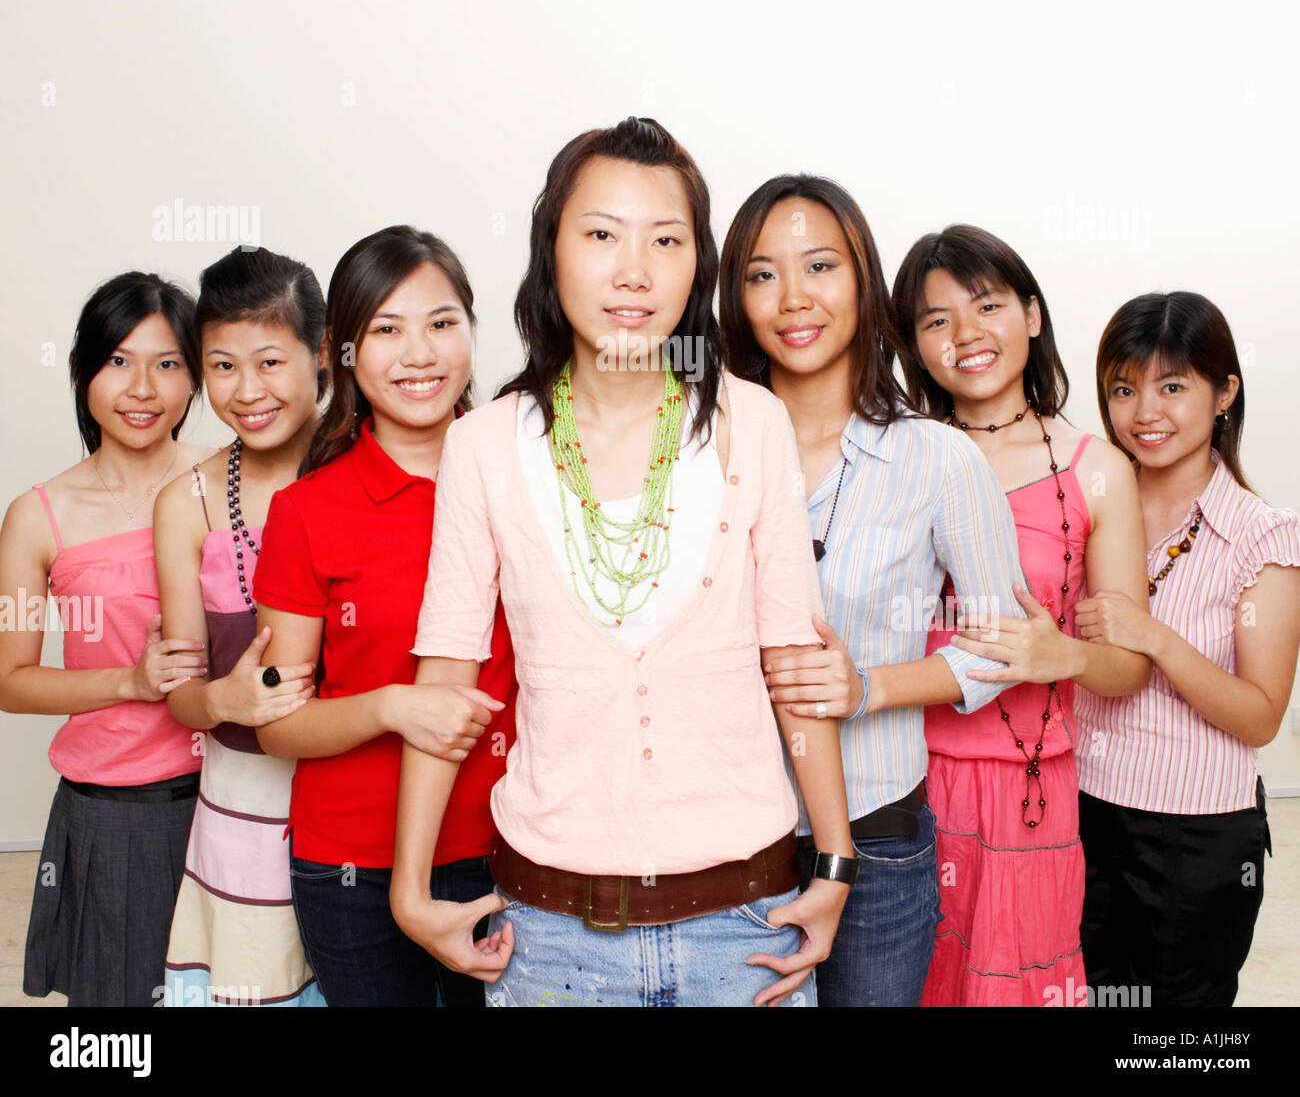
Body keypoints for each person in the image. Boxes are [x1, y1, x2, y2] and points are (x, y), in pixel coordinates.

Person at [392, 117, 854, 1008]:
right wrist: (411, 891)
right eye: (601, 235)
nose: (633, 271)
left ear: (698, 265)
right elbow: (444, 672)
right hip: (551, 934)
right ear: (552, 252)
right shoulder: (484, 444)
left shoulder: (751, 422)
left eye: (666, 240)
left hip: (747, 924)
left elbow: (792, 655)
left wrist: (832, 863)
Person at [719, 177, 1047, 1008]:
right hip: (722, 827)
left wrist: (867, 689)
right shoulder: (701, 451)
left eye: (820, 266)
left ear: (862, 281)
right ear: (736, 299)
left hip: (879, 832)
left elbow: (1000, 644)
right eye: (762, 275)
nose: (794, 298)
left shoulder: (937, 459)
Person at [253, 225, 516, 1008]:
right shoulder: (306, 512)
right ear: (343, 351)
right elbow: (277, 725)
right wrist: (392, 708)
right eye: (386, 331)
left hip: (516, 848)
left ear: (472, 328)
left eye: (441, 324)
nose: (420, 355)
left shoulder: (530, 478)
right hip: (351, 867)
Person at [890, 223, 1150, 1006]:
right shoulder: (897, 456)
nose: (966, 335)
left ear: (1032, 316)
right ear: (914, 345)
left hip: (1031, 792)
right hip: (905, 779)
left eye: (988, 306)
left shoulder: (1095, 469)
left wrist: (1061, 655)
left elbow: (1130, 663)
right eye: (937, 320)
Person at [1075, 291, 1300, 1006]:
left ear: (1225, 391)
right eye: (1124, 388)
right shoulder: (1088, 501)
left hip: (1196, 839)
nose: (1145, 412)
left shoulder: (1262, 535)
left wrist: (1155, 641)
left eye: (1173, 386)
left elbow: (1262, 715)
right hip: (1076, 810)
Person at [0, 272, 209, 1006]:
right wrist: (130, 682)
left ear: (196, 377)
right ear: (83, 373)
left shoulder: (230, 484)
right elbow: (10, 679)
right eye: (118, 361)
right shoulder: (37, 516)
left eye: (168, 362)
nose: (142, 387)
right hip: (113, 815)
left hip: (233, 799)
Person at [158, 247, 328, 1007]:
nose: (248, 391)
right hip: (241, 813)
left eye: (269, 361)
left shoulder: (371, 469)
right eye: (222, 367)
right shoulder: (185, 502)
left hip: (359, 806)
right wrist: (223, 701)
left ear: (321, 354)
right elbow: (179, 694)